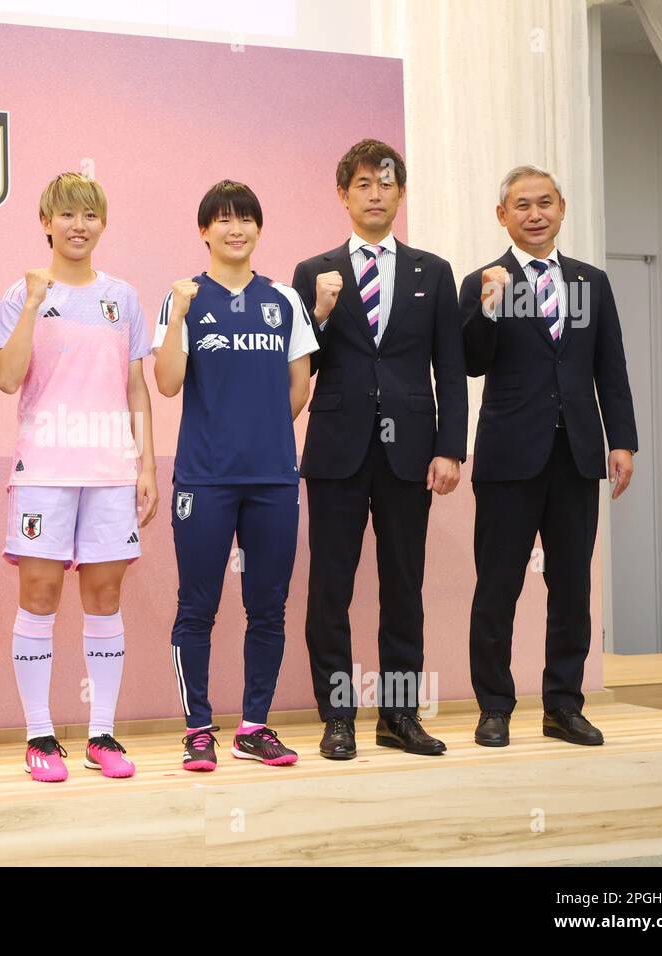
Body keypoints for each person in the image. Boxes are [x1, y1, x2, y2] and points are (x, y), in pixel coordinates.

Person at [291, 139, 468, 760]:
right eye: (363, 184)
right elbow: (300, 365)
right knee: (329, 588)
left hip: (410, 453)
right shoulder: (313, 272)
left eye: (386, 183)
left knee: (403, 586)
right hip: (336, 450)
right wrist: (319, 312)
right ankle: (337, 717)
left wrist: (451, 448)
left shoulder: (433, 271)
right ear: (343, 195)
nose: (375, 194)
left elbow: (451, 368)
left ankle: (398, 716)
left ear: (401, 193)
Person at [460, 165, 636, 748]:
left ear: (562, 206)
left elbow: (610, 365)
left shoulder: (591, 281)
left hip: (577, 455)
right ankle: (494, 706)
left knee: (572, 587)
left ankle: (563, 704)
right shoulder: (483, 280)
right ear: (502, 215)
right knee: (498, 587)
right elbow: (471, 362)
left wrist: (622, 440)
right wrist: (488, 307)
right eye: (522, 205)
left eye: (544, 203)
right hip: (509, 457)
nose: (534, 214)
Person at [0, 172, 157, 782]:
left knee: (104, 598)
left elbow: (136, 387)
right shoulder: (21, 294)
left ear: (102, 224)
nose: (78, 226)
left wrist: (145, 464)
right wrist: (35, 304)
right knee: (39, 597)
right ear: (46, 223)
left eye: (89, 215)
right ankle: (39, 736)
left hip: (110, 469)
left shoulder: (123, 297)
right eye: (66, 215)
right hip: (45, 468)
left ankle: (101, 735)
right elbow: (7, 379)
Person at [153, 180, 317, 771]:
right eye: (222, 219)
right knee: (197, 607)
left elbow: (300, 385)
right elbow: (166, 383)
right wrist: (178, 317)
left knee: (267, 607)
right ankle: (198, 729)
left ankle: (254, 727)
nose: (235, 228)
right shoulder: (184, 297)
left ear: (258, 228)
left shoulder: (284, 300)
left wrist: (262, 431)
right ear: (204, 231)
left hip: (273, 479)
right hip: (204, 480)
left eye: (245, 218)